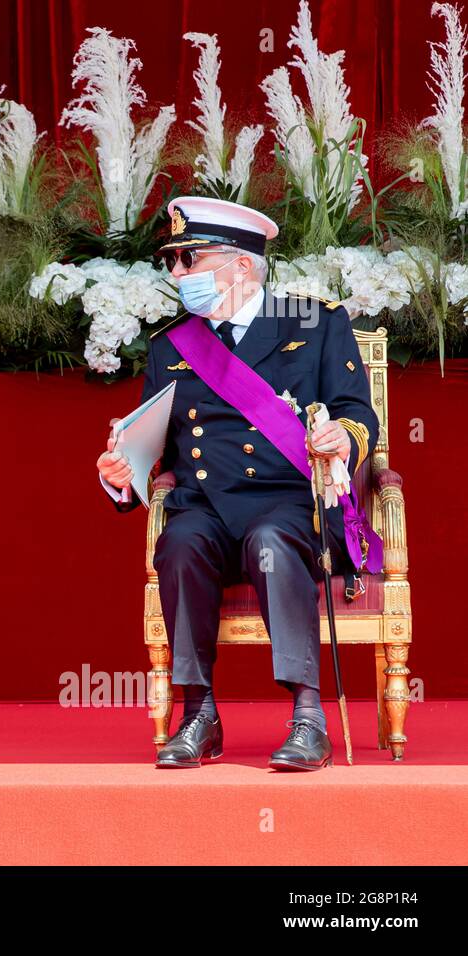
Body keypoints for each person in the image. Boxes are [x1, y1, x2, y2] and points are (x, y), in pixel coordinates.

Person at [96, 196, 381, 771]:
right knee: (178, 542)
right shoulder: (170, 347)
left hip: (291, 504)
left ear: (242, 265)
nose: (176, 274)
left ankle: (308, 716)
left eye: (188, 258)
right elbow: (151, 449)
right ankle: (198, 714)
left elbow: (357, 414)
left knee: (273, 543)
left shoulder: (317, 322)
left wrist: (341, 441)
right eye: (171, 261)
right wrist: (122, 474)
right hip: (207, 504)